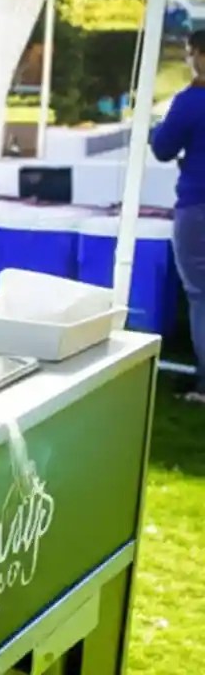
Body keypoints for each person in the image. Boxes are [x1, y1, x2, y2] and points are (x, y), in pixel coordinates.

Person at [152, 28, 205, 403]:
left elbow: (162, 147)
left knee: (200, 296)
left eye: (189, 54)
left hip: (198, 206)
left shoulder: (190, 102)